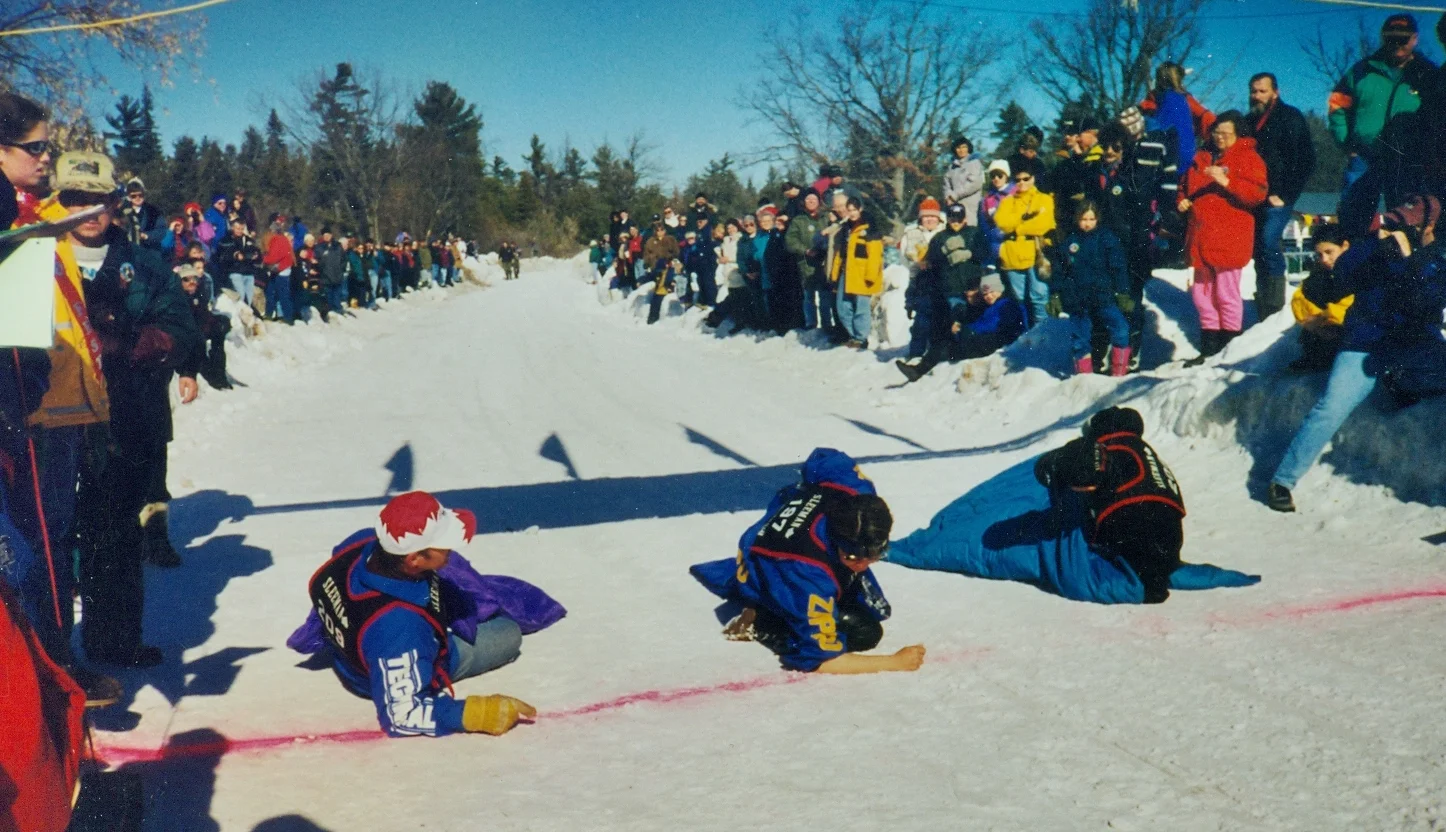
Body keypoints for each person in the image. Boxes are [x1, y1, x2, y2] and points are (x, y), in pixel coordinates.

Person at [56, 151, 198, 667]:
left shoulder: (149, 263)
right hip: (49, 420)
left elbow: (183, 328)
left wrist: (140, 343)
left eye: (99, 200)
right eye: (76, 199)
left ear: (116, 203)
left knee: (115, 529)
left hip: (126, 415)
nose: (88, 212)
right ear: (59, 201)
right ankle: (50, 659)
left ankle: (113, 639)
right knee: (47, 538)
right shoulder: (35, 259)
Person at [303, 492, 540, 737]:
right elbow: (402, 716)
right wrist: (476, 713)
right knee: (508, 633)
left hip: (353, 649)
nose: (449, 549)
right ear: (414, 558)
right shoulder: (400, 627)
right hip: (378, 666)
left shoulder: (359, 543)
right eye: (443, 545)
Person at [1267, 195, 1441, 512]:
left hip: (1414, 341)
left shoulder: (1434, 254)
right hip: (1367, 339)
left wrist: (1412, 258)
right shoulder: (1374, 245)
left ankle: (1402, 387)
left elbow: (1429, 297)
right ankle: (1283, 480)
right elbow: (1344, 273)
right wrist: (1381, 249)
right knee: (1331, 407)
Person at [689, 448, 925, 675]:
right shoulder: (810, 577)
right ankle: (767, 621)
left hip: (773, 546)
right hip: (773, 571)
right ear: (835, 539)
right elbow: (822, 661)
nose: (863, 565)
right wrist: (895, 662)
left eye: (874, 555)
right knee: (864, 632)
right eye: (852, 557)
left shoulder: (853, 489)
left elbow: (825, 457)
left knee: (872, 606)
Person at [1032, 407, 1186, 603]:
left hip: (1134, 540)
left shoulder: (1106, 449)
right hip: (1170, 544)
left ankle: (1140, 580)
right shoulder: (1142, 450)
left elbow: (1088, 468)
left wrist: (1059, 468)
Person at [1328, 13, 1437, 236]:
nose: (1397, 45)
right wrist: (1347, 142)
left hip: (1406, 160)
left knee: (1403, 220)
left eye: (1403, 39)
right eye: (1391, 38)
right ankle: (1355, 264)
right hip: (1364, 157)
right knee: (1353, 216)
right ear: (1382, 38)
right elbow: (1337, 105)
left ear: (1414, 39)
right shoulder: (1361, 71)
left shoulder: (1427, 74)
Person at [1179, 111, 1268, 364]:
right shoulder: (1200, 158)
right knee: (1201, 295)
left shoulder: (1249, 158)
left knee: (1226, 295)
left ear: (1238, 134)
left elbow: (1257, 194)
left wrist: (1227, 181)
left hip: (1229, 236)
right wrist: (1182, 200)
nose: (1220, 138)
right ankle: (1209, 348)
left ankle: (1230, 349)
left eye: (1226, 134)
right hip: (1201, 235)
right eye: (1217, 133)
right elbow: (1184, 187)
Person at [1247, 72, 1317, 323]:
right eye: (1253, 91)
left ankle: (1275, 307)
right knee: (1257, 248)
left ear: (1275, 92)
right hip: (1254, 196)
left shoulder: (1289, 117)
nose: (1256, 96)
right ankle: (1263, 304)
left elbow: (1306, 159)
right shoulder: (1249, 121)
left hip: (1279, 196)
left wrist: (1286, 195)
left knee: (1268, 242)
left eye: (1262, 91)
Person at [895, 272, 1026, 382]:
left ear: (1000, 290)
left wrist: (964, 331)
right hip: (989, 339)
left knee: (948, 347)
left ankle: (919, 370)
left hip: (996, 342)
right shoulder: (995, 305)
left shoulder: (1006, 305)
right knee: (946, 343)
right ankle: (918, 369)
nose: (988, 296)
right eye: (985, 294)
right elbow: (983, 323)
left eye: (992, 292)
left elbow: (990, 325)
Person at [1052, 201, 1133, 376]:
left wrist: (1123, 292)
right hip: (1078, 299)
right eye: (1083, 219)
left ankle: (1119, 372)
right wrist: (1055, 294)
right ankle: (1085, 377)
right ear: (1077, 219)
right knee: (1080, 338)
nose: (1087, 223)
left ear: (1097, 219)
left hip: (1104, 296)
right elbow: (1059, 270)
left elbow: (1118, 267)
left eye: (1091, 219)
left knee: (1120, 329)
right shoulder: (1070, 241)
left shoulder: (1107, 239)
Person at [1288, 223, 1356, 373]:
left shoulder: (1359, 270)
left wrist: (1326, 317)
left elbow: (1356, 303)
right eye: (1319, 255)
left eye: (1329, 252)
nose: (1324, 259)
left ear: (1344, 246)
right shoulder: (1319, 275)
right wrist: (1316, 323)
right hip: (1323, 332)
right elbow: (1299, 300)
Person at [993, 165, 1056, 327]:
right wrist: (1024, 217)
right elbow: (1001, 223)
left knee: (1039, 296)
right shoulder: (1008, 201)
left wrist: (1018, 227)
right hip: (1012, 254)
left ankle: (1042, 334)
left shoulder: (1044, 199)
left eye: (1026, 178)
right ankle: (1025, 336)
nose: (1021, 183)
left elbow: (1043, 224)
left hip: (1036, 253)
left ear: (1033, 178)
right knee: (1019, 299)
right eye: (1017, 179)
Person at [902, 199, 956, 359]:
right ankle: (916, 354)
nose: (930, 219)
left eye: (933, 216)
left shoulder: (945, 231)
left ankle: (938, 351)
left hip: (942, 279)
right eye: (926, 217)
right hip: (921, 279)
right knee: (922, 318)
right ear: (920, 218)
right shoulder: (911, 233)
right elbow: (905, 260)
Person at [829, 197, 885, 349]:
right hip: (846, 272)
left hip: (862, 273)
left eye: (855, 210)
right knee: (842, 306)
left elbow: (875, 254)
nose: (852, 213)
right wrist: (834, 274)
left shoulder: (870, 227)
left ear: (860, 209)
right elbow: (840, 253)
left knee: (861, 307)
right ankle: (854, 335)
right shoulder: (846, 228)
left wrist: (871, 275)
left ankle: (861, 338)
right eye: (849, 210)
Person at [1139, 62, 1216, 170]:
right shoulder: (1184, 99)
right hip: (1183, 154)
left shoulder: (1154, 99)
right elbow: (1206, 116)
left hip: (1161, 152)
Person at [783, 192, 832, 332]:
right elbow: (790, 241)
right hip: (807, 263)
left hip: (824, 262)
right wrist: (805, 250)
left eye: (814, 199)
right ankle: (811, 323)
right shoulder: (798, 220)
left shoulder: (825, 218)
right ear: (803, 202)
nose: (811, 201)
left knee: (825, 295)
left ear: (819, 201)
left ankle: (827, 324)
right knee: (809, 295)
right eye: (808, 199)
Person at [978, 160, 1014, 270]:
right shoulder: (988, 198)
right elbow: (983, 222)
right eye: (993, 176)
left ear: (1006, 176)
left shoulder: (1016, 193)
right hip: (994, 243)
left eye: (999, 175)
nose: (996, 179)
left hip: (1012, 242)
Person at [942, 136, 984, 224]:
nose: (961, 150)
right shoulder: (951, 167)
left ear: (968, 148)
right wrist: (948, 197)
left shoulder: (974, 163)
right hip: (953, 206)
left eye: (964, 147)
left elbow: (974, 184)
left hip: (970, 207)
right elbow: (946, 184)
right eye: (958, 147)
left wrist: (955, 195)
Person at [262, 215, 295, 323]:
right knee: (271, 292)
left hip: (281, 270)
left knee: (282, 294)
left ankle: (288, 317)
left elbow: (274, 256)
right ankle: (269, 314)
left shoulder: (279, 239)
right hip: (277, 269)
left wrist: (264, 259)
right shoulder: (280, 239)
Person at [119, 177, 165, 252]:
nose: (137, 198)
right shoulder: (121, 211)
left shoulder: (153, 211)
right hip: (127, 249)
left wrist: (147, 236)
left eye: (140, 195)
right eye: (133, 196)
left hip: (149, 250)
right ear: (128, 197)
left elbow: (161, 230)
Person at [1006, 127, 1049, 192]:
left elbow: (1044, 184)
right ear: (1022, 150)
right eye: (1031, 151)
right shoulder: (1010, 163)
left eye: (1036, 150)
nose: (1035, 153)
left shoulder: (1038, 164)